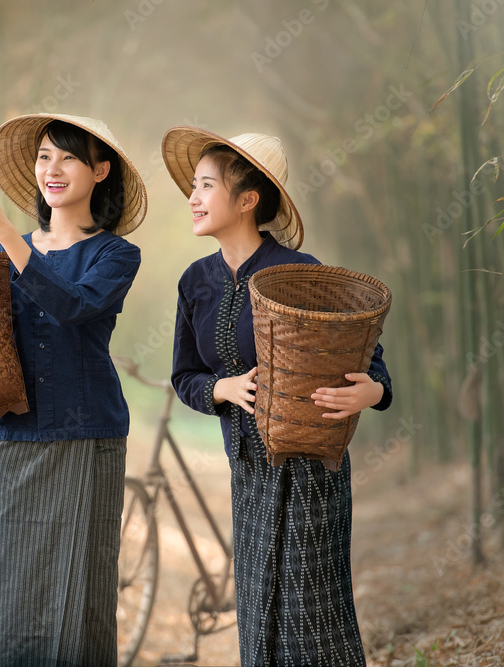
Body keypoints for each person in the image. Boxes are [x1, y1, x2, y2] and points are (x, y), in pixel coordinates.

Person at [0, 113, 148, 666]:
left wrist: (7, 234)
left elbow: (74, 307)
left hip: (85, 441)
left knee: (79, 593)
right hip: (12, 444)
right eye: (43, 157)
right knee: (14, 600)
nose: (51, 169)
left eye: (67, 157)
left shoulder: (114, 255)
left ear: (100, 171)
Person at [163, 127, 392, 666]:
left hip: (312, 466)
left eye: (205, 187)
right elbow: (185, 376)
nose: (193, 199)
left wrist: (374, 392)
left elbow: (366, 354)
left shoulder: (300, 273)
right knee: (258, 607)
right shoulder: (195, 281)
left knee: (311, 615)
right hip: (246, 466)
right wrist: (220, 387)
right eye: (192, 187)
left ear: (247, 201)